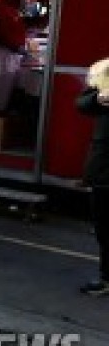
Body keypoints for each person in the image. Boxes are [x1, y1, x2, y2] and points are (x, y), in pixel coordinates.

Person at [79, 57, 109, 296]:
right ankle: (106, 278)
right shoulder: (104, 70)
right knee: (104, 226)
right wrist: (97, 99)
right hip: (105, 165)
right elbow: (81, 103)